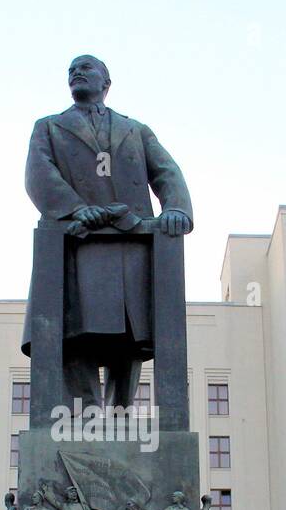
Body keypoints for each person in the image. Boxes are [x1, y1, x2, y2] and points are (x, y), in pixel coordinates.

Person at [21, 54, 193, 410]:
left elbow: (167, 171)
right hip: (79, 243)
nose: (76, 73)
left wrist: (175, 208)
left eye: (86, 68)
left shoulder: (136, 130)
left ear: (106, 83)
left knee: (130, 333)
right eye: (71, 69)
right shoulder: (49, 127)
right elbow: (39, 174)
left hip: (131, 245)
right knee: (77, 329)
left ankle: (120, 413)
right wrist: (76, 208)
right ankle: (87, 414)